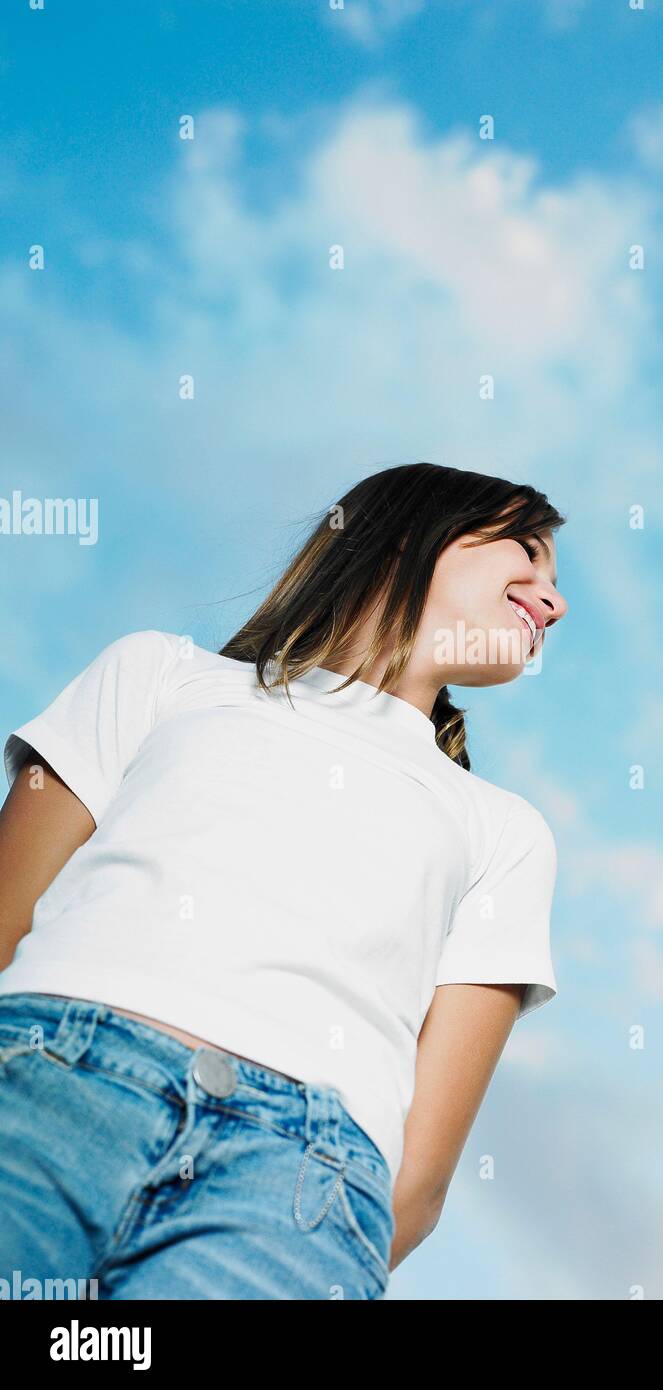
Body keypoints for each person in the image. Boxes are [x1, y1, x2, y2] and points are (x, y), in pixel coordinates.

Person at [0, 461, 569, 1300]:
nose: (550, 600)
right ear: (403, 537)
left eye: (555, 586)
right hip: (47, 1080)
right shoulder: (160, 674)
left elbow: (418, 1181)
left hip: (299, 1183)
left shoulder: (506, 832)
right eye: (525, 550)